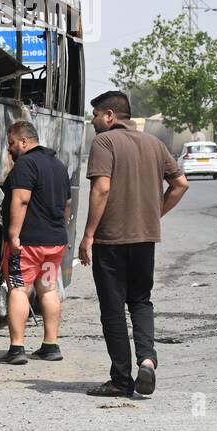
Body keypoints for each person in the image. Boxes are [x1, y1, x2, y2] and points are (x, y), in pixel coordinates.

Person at [78, 91, 188, 397]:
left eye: (96, 115)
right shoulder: (155, 144)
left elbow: (101, 189)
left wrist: (87, 235)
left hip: (111, 239)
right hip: (145, 238)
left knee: (113, 308)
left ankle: (121, 379)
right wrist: (154, 214)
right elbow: (181, 184)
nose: (93, 121)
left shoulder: (104, 142)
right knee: (140, 301)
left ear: (110, 116)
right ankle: (148, 360)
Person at [0, 120, 72, 365]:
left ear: (23, 140)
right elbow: (68, 205)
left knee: (19, 289)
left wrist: (13, 235)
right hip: (54, 244)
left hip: (27, 244)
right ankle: (51, 345)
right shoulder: (59, 166)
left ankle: (17, 349)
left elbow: (21, 201)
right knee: (48, 289)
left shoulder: (25, 165)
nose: (9, 149)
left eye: (11, 143)